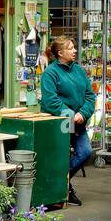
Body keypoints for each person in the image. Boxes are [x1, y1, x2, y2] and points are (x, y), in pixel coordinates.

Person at [40, 35, 93, 206]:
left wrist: (82, 114)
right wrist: (71, 115)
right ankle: (60, 188)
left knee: (85, 152)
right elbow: (50, 100)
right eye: (71, 48)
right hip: (61, 123)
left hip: (79, 122)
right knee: (60, 156)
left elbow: (90, 96)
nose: (75, 50)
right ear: (60, 53)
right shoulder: (50, 73)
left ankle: (59, 183)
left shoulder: (79, 70)